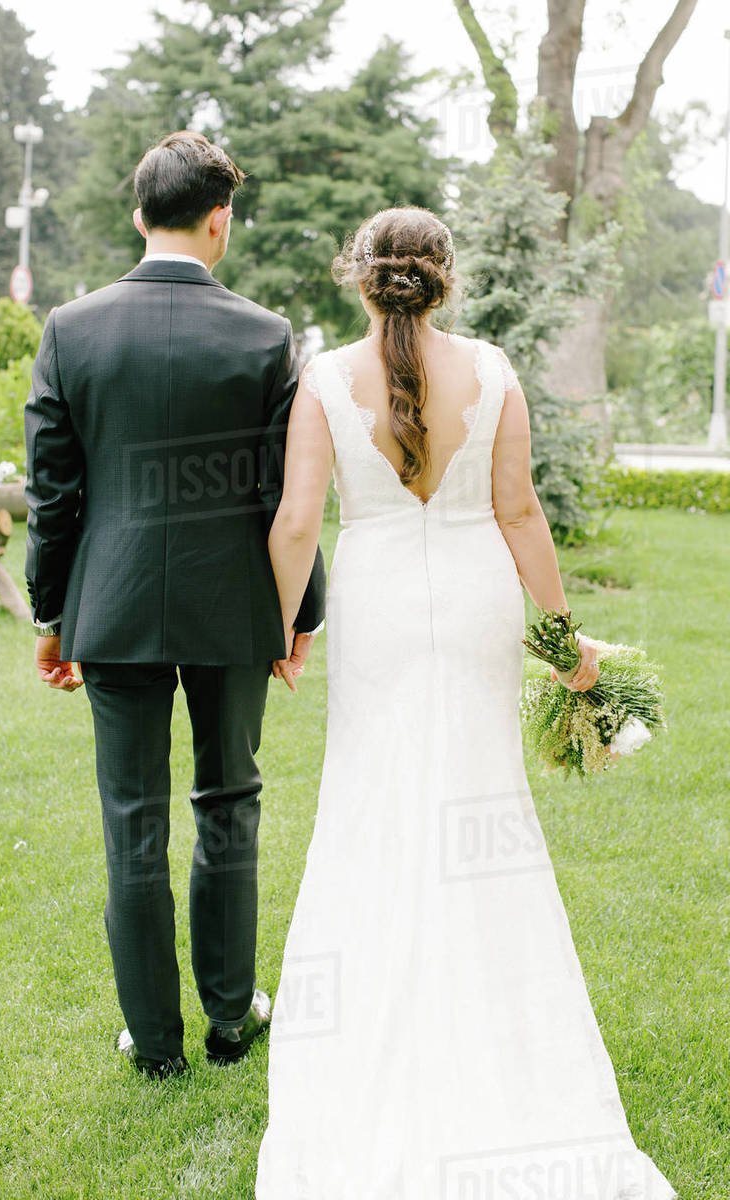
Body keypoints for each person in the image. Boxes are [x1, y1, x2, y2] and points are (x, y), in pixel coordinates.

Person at [256, 207, 676, 1198]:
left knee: (368, 808)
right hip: (481, 601)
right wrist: (563, 638)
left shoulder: (321, 379)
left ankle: (369, 1028)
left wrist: (282, 628)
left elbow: (294, 523)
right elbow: (518, 510)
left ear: (360, 278)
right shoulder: (490, 371)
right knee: (482, 812)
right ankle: (496, 1035)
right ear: (444, 277)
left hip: (378, 608)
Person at [24, 131, 325, 1077]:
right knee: (230, 803)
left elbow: (52, 492)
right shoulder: (266, 334)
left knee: (132, 818)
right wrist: (298, 617)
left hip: (108, 609)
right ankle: (231, 1023)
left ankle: (154, 1045)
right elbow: (291, 497)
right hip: (236, 610)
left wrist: (51, 615)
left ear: (138, 215)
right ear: (219, 221)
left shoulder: (71, 329)